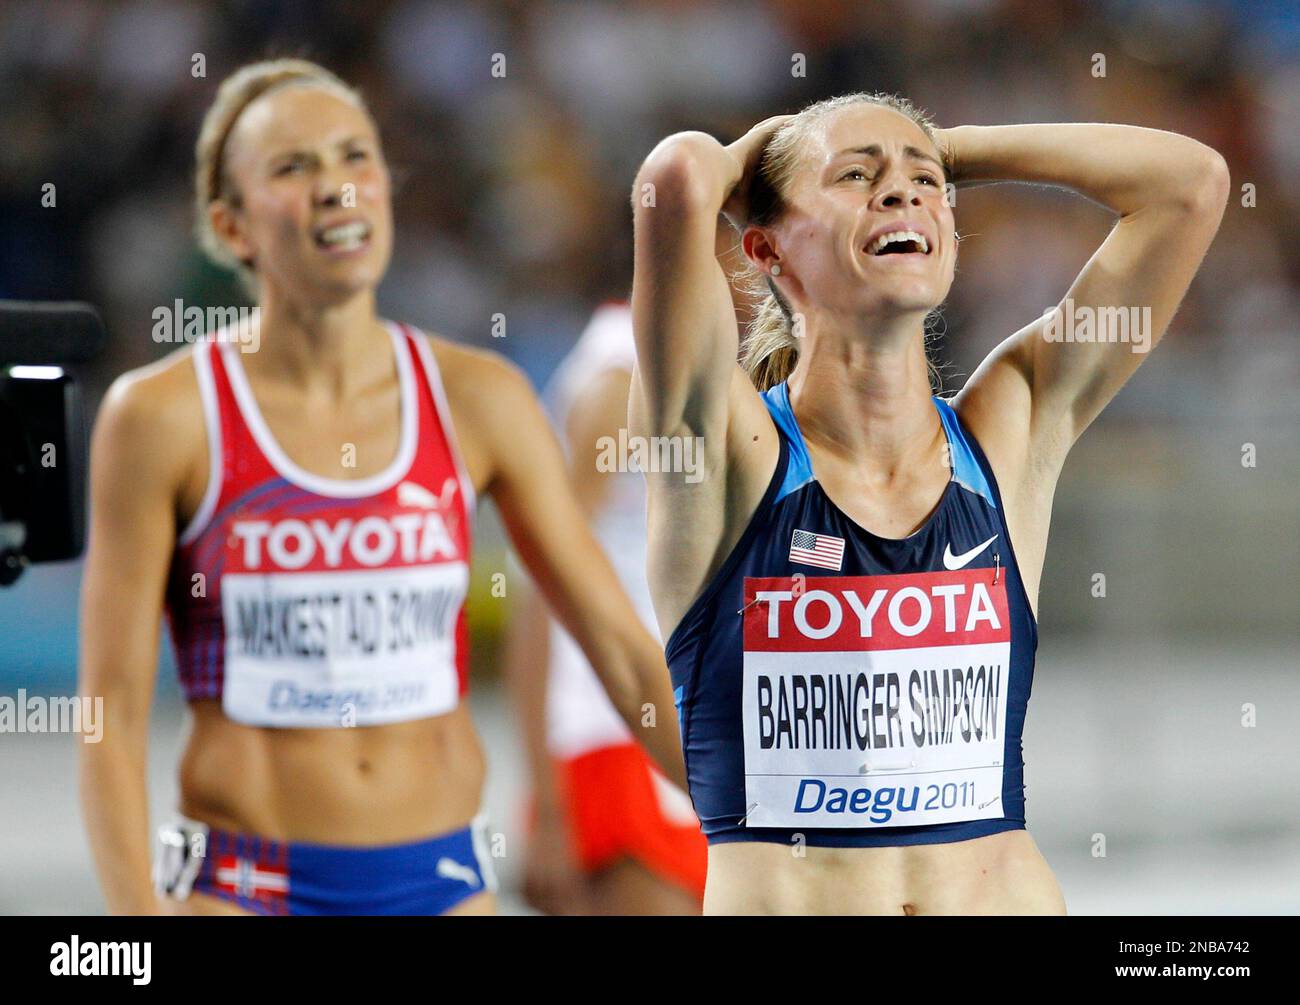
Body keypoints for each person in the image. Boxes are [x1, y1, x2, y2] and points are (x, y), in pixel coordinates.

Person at [78, 58, 683, 917]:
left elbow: (624, 653)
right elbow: (109, 714)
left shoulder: (479, 398)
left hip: (439, 882)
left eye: (355, 157)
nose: (335, 187)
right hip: (247, 889)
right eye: (293, 167)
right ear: (233, 223)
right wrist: (135, 928)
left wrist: (761, 828)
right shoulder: (162, 416)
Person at [629, 92, 1228, 914]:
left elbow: (1189, 184)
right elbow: (676, 178)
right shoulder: (725, 452)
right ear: (767, 248)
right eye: (855, 177)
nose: (903, 193)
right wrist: (758, 161)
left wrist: (952, 150)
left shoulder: (1009, 431)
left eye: (922, 184)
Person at [505, 301, 707, 916]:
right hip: (613, 742)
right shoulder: (618, 384)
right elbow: (545, 590)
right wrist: (550, 808)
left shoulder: (698, 362)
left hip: (678, 731)